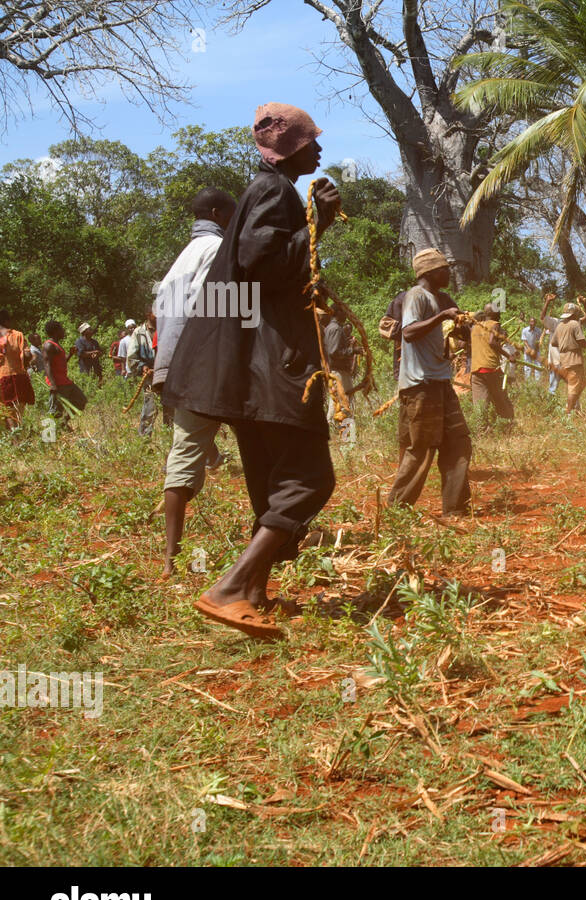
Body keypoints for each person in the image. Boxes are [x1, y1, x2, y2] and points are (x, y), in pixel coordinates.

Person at [164, 102, 342, 639]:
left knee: (271, 481)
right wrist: (320, 222)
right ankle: (231, 588)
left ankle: (255, 594)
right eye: (312, 141)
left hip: (247, 368)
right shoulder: (274, 191)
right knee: (311, 477)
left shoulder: (267, 190)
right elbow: (263, 265)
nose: (319, 149)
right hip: (270, 366)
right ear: (292, 147)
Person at [153, 186, 238, 577]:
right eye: (232, 213)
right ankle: (277, 540)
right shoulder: (216, 250)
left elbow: (161, 316)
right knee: (269, 442)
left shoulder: (180, 260)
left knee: (183, 456)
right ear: (219, 214)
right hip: (210, 366)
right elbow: (226, 307)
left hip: (176, 370)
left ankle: (171, 559)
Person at [387, 248, 473, 513]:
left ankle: (456, 509)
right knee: (421, 449)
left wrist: (460, 325)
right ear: (430, 272)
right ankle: (397, 510)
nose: (449, 272)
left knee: (458, 444)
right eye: (444, 268)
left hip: (441, 383)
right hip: (420, 386)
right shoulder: (416, 296)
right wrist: (442, 316)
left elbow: (463, 339)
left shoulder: (440, 299)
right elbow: (409, 332)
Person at [551, 301, 586, 413]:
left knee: (579, 384)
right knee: (574, 387)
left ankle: (575, 408)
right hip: (574, 359)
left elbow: (553, 343)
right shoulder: (575, 324)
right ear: (574, 314)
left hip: (563, 360)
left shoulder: (560, 325)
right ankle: (568, 412)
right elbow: (583, 344)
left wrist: (565, 343)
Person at [468, 304, 515, 422]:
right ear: (495, 314)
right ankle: (508, 424)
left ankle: (481, 430)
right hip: (491, 369)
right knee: (502, 400)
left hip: (476, 370)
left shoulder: (474, 327)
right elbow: (492, 342)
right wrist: (509, 355)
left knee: (480, 404)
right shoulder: (495, 324)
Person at [41, 320, 87, 420]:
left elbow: (60, 363)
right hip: (57, 384)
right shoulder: (48, 345)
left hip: (64, 381)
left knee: (81, 400)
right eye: (61, 329)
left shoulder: (56, 345)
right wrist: (53, 384)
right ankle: (51, 433)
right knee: (55, 411)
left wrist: (70, 354)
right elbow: (47, 365)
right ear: (56, 331)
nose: (63, 331)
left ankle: (63, 424)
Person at [0, 310, 36, 426]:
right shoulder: (17, 335)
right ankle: (17, 435)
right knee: (19, 407)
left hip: (3, 378)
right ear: (7, 321)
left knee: (7, 409)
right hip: (19, 376)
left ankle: (14, 437)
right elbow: (27, 354)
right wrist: (26, 363)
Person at [127, 313, 159, 436]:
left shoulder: (166, 329)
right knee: (150, 408)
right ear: (148, 314)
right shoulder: (139, 333)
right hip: (149, 378)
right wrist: (143, 367)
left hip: (167, 376)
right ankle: (144, 440)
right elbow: (131, 358)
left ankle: (170, 440)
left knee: (170, 409)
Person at [521, 313, 544, 383]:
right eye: (531, 321)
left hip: (536, 350)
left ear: (535, 323)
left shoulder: (538, 330)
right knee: (527, 367)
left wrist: (535, 350)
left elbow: (539, 341)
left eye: (533, 322)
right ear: (529, 322)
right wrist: (529, 349)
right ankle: (528, 383)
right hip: (527, 350)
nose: (532, 323)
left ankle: (537, 383)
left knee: (538, 366)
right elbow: (524, 341)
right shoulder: (524, 330)